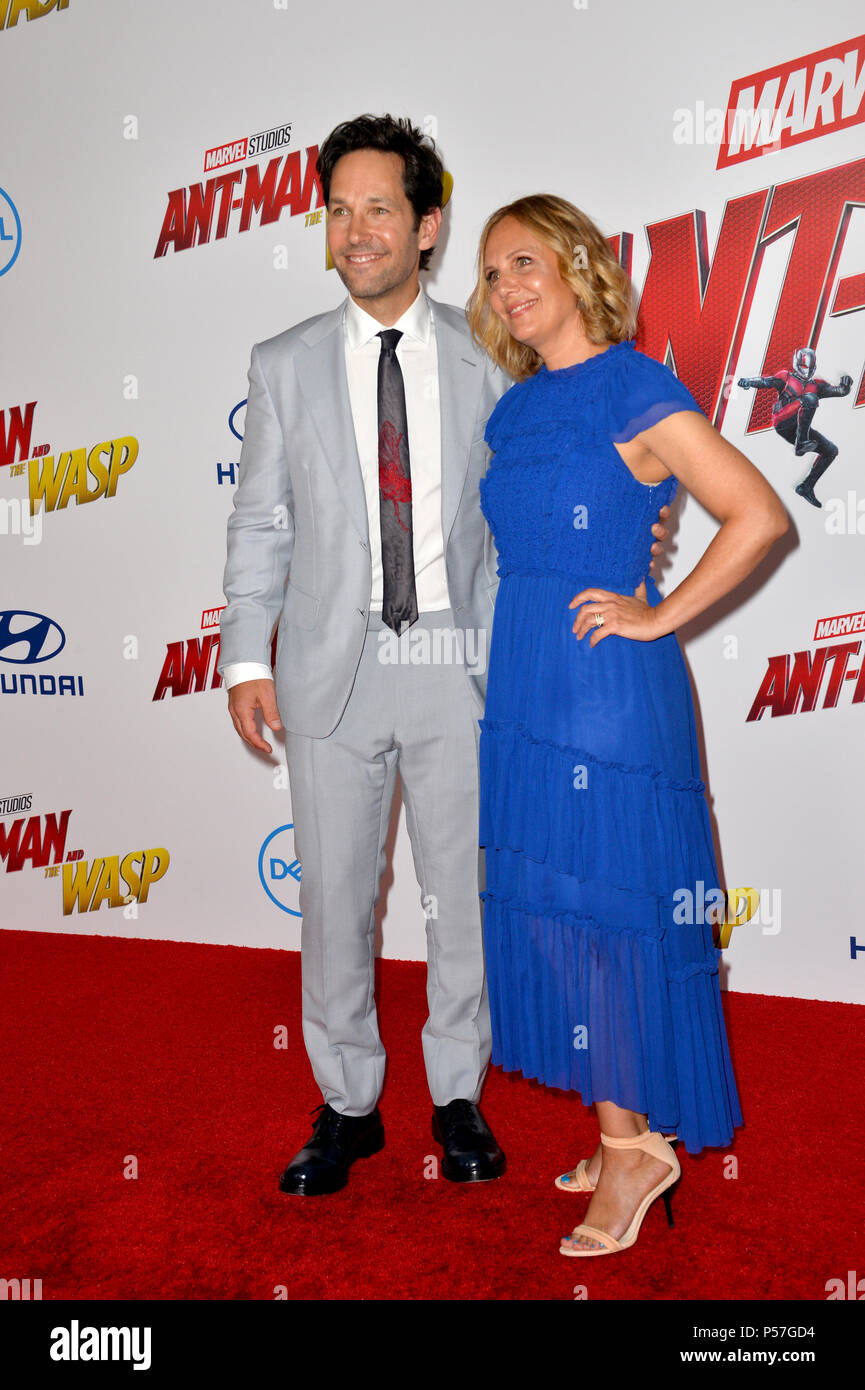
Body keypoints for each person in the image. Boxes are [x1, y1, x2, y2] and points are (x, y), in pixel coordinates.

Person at [218, 120, 669, 1198]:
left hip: (468, 663)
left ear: (427, 227)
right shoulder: (280, 363)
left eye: (380, 207)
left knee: (462, 895)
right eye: (338, 208)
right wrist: (244, 657)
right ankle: (346, 1103)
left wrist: (639, 526)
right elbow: (261, 524)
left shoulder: (490, 353)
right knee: (333, 894)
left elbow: (569, 466)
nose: (356, 229)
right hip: (329, 666)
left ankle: (457, 1092)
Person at [466, 194, 788, 1256]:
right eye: (492, 270)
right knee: (552, 903)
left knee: (605, 913)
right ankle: (623, 1129)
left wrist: (656, 612)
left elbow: (758, 514)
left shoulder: (636, 386)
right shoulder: (513, 408)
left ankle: (636, 1149)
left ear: (574, 266)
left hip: (606, 686)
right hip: (525, 680)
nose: (509, 286)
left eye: (526, 261)